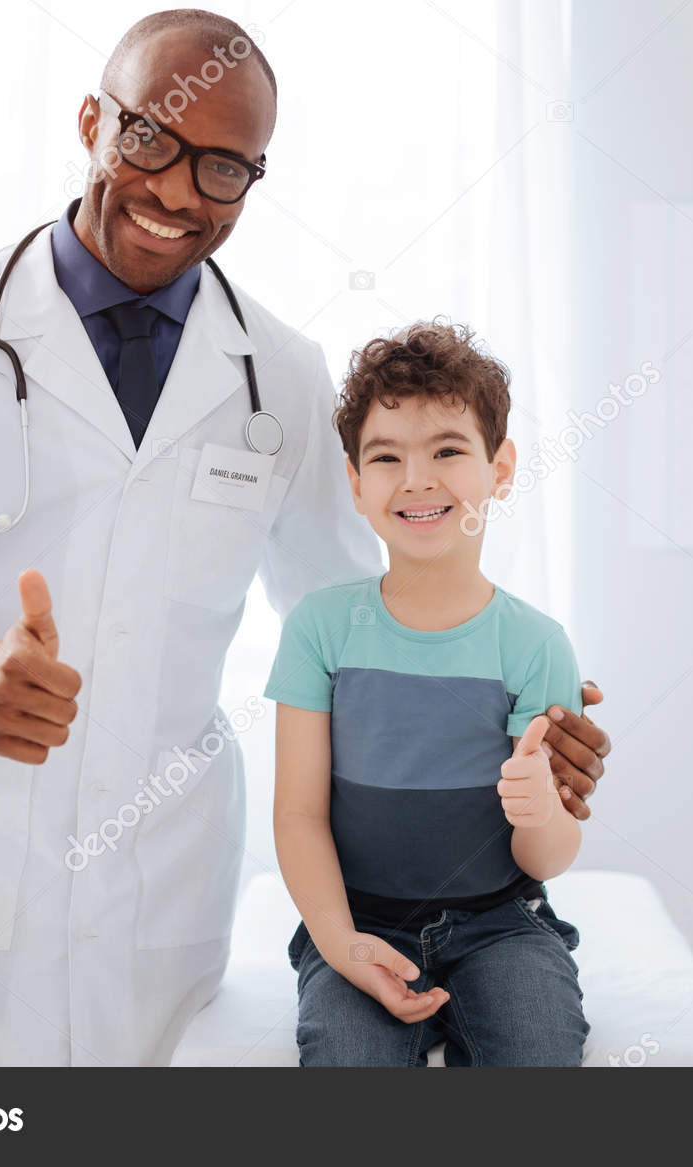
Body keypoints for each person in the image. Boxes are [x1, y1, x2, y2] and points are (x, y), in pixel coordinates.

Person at [0, 10, 610, 1066]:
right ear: (92, 120)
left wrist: (515, 726)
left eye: (224, 167)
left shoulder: (275, 371)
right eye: (149, 138)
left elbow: (359, 611)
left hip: (164, 878)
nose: (180, 191)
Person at [268, 321, 590, 1066]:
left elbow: (550, 853)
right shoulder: (321, 628)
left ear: (500, 467)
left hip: (502, 924)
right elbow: (297, 813)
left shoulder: (536, 644)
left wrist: (538, 807)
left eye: (447, 450)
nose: (417, 478)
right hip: (359, 921)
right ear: (355, 483)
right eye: (387, 457)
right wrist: (341, 942)